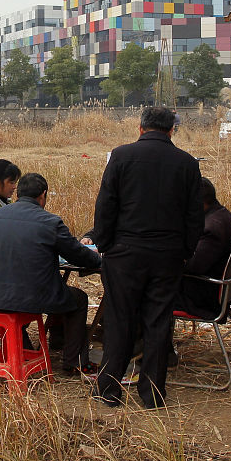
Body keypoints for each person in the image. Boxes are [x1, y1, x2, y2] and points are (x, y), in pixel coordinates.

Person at [92, 106, 202, 409]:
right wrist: (185, 252)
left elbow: (106, 205)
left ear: (140, 128)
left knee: (119, 319)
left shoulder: (121, 156)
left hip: (124, 253)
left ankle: (109, 389)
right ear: (171, 130)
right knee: (158, 322)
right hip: (167, 256)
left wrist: (104, 244)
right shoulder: (187, 163)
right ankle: (152, 393)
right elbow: (195, 216)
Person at [0, 173, 101, 374]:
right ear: (43, 195)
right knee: (77, 299)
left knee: (51, 295)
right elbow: (78, 255)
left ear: (18, 194)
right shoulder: (50, 222)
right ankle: (75, 362)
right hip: (34, 296)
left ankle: (26, 350)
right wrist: (100, 260)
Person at [176, 177, 231, 318]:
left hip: (203, 300)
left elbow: (193, 267)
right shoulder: (222, 215)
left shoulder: (212, 228)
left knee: (147, 293)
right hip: (215, 292)